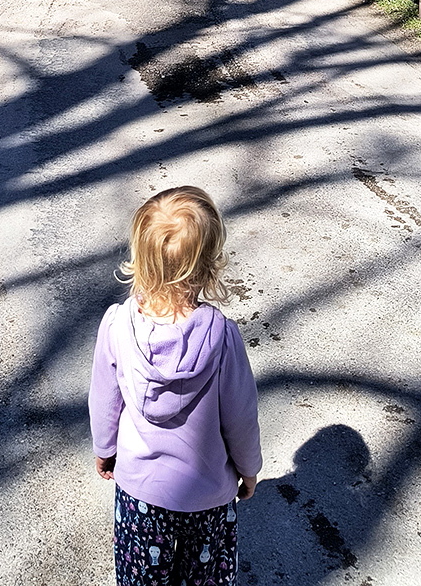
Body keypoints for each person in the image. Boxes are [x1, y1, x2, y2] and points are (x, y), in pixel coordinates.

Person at [88, 185, 262, 585]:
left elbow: (105, 400)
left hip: (140, 496)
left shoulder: (117, 325)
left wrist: (105, 449)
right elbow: (241, 418)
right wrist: (249, 470)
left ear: (141, 260)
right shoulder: (221, 337)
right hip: (209, 497)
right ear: (206, 267)